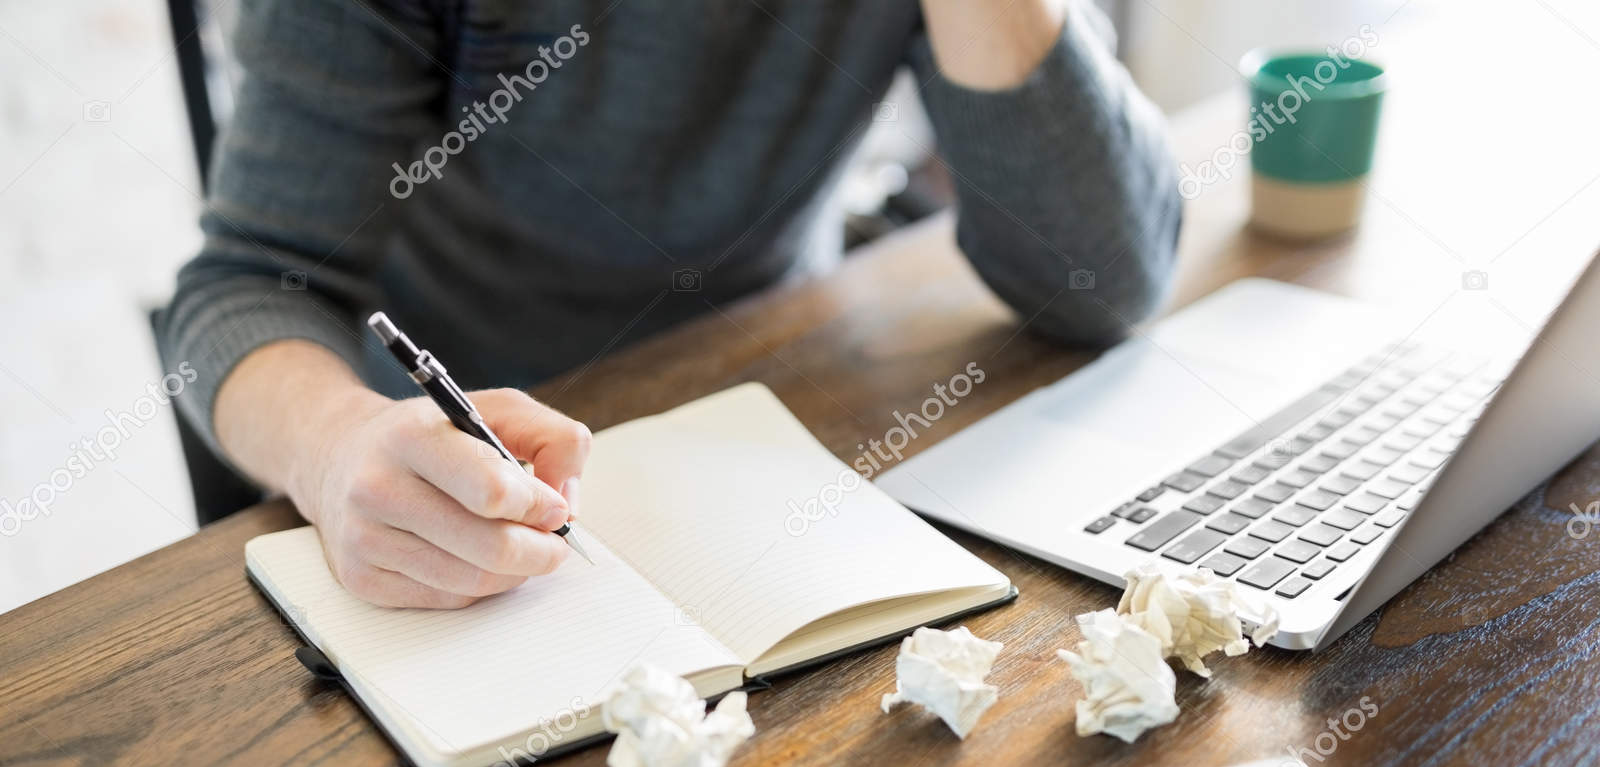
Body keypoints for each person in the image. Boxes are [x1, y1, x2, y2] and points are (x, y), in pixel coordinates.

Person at [159, 0, 1180, 609]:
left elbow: (1104, 279)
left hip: (785, 417)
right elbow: (245, 284)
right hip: (457, 459)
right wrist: (335, 447)